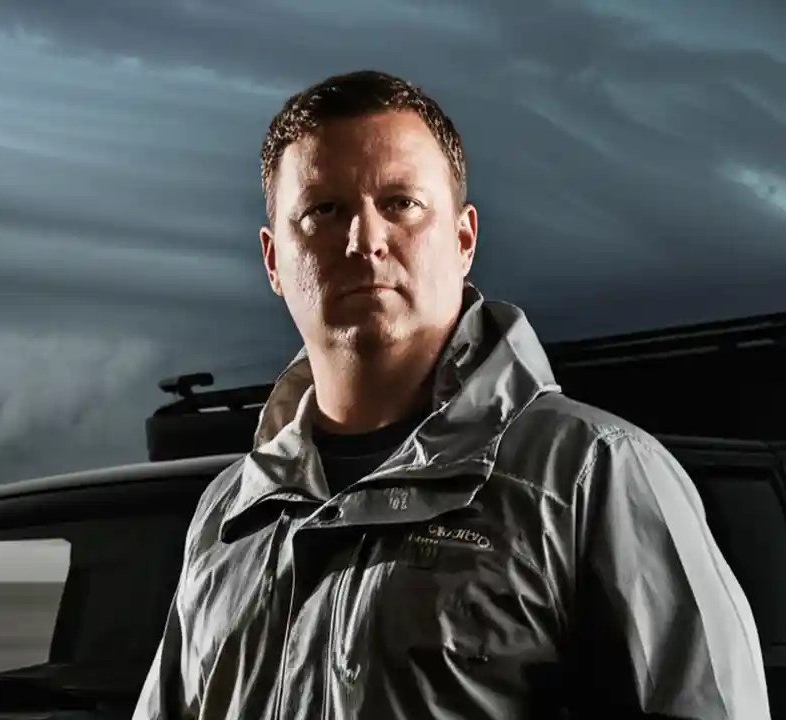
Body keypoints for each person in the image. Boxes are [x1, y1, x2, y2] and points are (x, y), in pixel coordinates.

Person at [132, 70, 770, 719]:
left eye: (401, 203)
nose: (365, 240)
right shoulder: (230, 515)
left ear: (464, 239)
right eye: (325, 210)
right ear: (273, 260)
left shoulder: (589, 474)